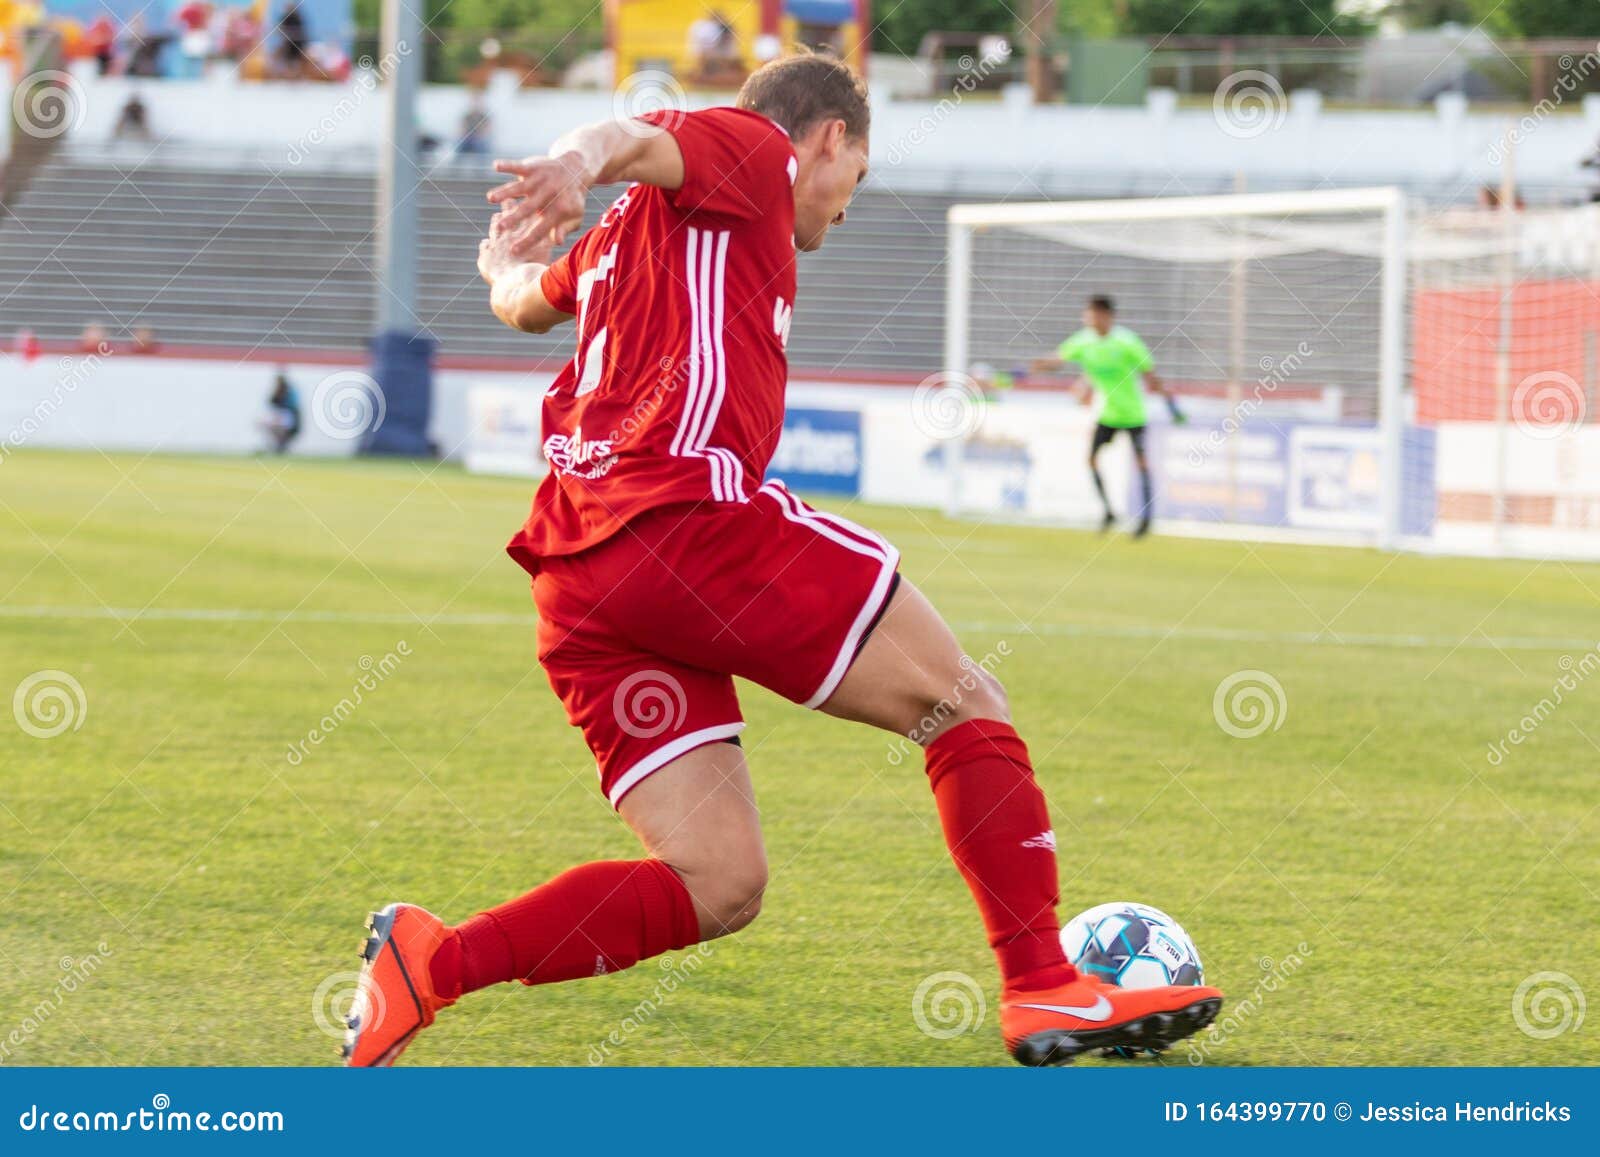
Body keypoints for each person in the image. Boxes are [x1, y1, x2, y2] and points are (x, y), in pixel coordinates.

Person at [341, 53, 1222, 1069]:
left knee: (717, 880)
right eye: (856, 172)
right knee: (963, 703)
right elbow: (628, 138)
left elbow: (525, 304)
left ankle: (431, 962)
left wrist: (504, 260)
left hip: (579, 579)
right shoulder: (754, 149)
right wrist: (572, 162)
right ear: (830, 139)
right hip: (685, 525)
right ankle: (1040, 985)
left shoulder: (630, 237)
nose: (847, 206)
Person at [1033, 295, 1181, 538]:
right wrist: (1039, 364)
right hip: (1107, 414)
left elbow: (1151, 377)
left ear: (1105, 316)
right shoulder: (1083, 342)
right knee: (1091, 460)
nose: (1087, 319)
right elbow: (1058, 359)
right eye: (1087, 314)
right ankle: (1109, 512)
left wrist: (1171, 404)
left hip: (1134, 414)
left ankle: (1146, 520)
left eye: (1091, 314)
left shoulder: (1127, 342)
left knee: (1142, 464)